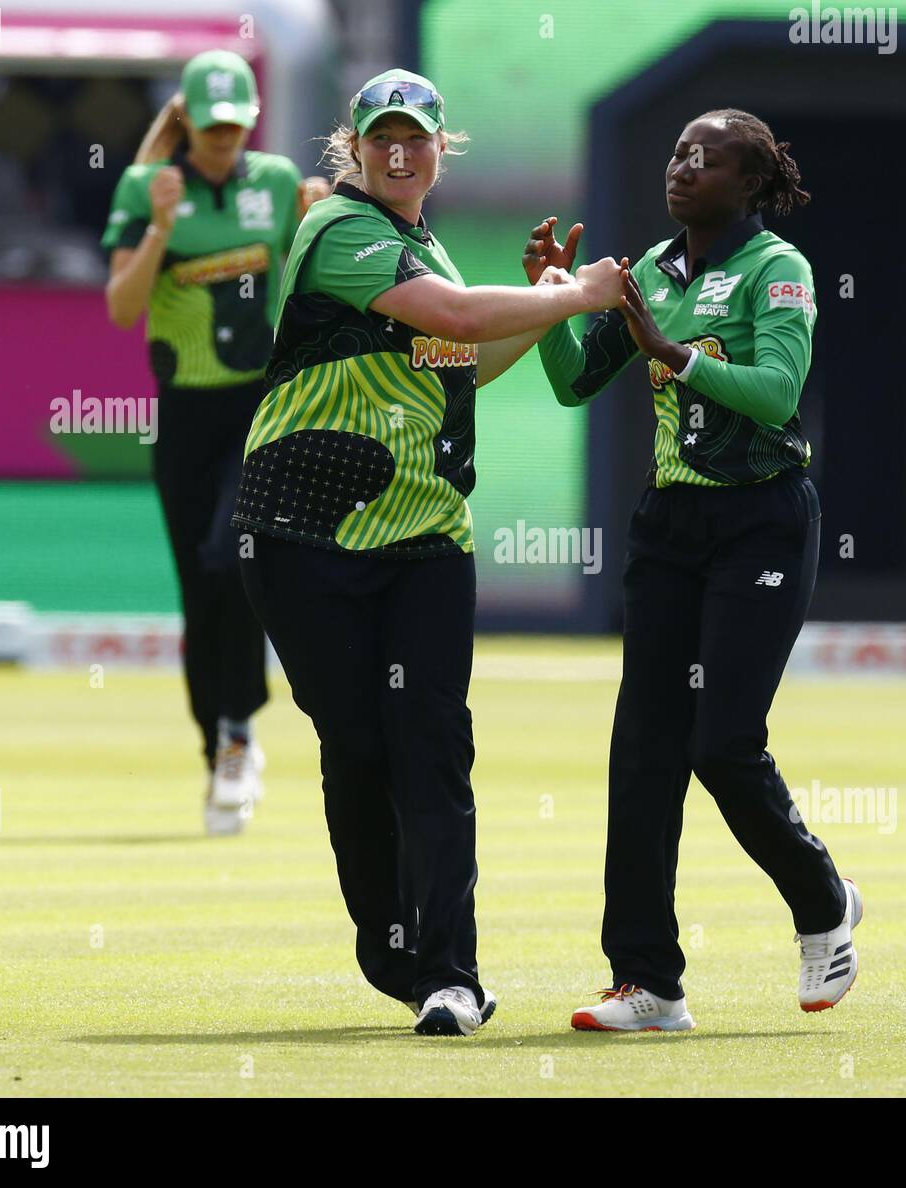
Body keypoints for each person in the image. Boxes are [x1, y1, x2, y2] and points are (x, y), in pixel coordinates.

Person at [231, 70, 625, 1036]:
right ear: (354, 148)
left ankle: (451, 973)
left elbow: (464, 360)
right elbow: (450, 318)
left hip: (424, 536)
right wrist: (574, 296)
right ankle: (397, 951)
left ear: (443, 149)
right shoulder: (342, 228)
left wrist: (543, 305)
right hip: (305, 527)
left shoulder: (425, 247)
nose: (399, 153)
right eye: (382, 138)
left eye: (416, 139)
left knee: (433, 746)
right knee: (358, 743)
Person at [526, 109, 862, 1032]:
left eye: (705, 157)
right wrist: (556, 300)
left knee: (722, 742)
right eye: (676, 152)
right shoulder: (649, 270)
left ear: (751, 183)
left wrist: (671, 356)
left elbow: (777, 393)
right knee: (643, 750)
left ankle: (823, 901)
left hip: (760, 520)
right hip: (668, 523)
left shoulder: (777, 269)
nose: (682, 166)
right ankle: (648, 982)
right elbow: (572, 382)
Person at [101, 51, 331, 835]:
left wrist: (318, 214)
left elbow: (311, 277)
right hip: (186, 411)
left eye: (238, 124)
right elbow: (122, 307)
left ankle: (239, 727)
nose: (227, 138)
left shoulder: (272, 182)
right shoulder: (145, 186)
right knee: (198, 593)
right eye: (214, 124)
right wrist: (163, 225)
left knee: (232, 557)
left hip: (260, 405)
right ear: (189, 120)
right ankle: (221, 746)